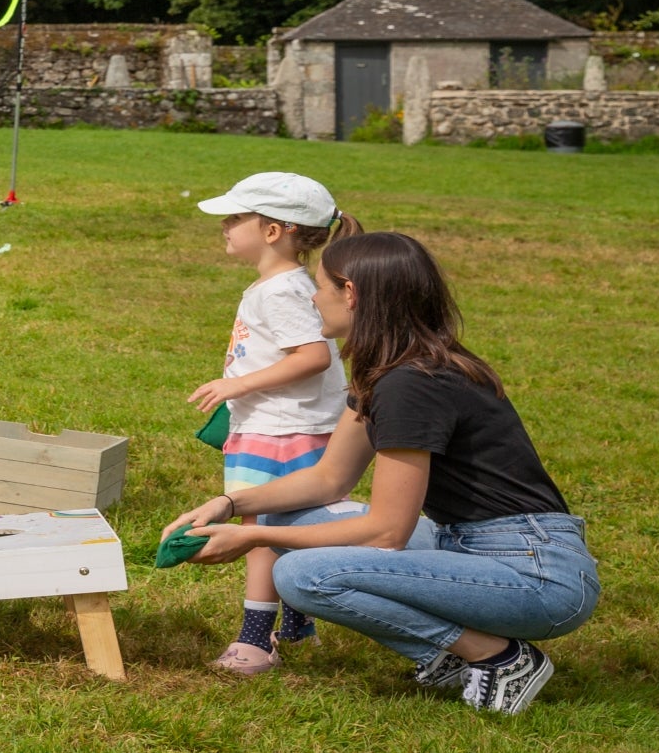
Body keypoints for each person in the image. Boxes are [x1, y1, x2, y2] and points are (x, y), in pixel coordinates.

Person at [164, 231, 597, 715]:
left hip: (536, 575)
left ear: (351, 294)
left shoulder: (411, 385)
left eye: (322, 286)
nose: (312, 296)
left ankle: (496, 656)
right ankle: (454, 657)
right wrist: (230, 505)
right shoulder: (389, 369)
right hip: (470, 546)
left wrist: (244, 541)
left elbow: (388, 532)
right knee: (278, 522)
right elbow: (329, 479)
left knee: (304, 575)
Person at [185, 172, 362, 674]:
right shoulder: (280, 286)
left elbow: (312, 357)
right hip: (279, 425)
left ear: (273, 231)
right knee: (285, 526)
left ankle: (255, 640)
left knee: (260, 529)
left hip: (282, 430)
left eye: (236, 217)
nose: (224, 225)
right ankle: (298, 624)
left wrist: (237, 386)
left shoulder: (280, 290)